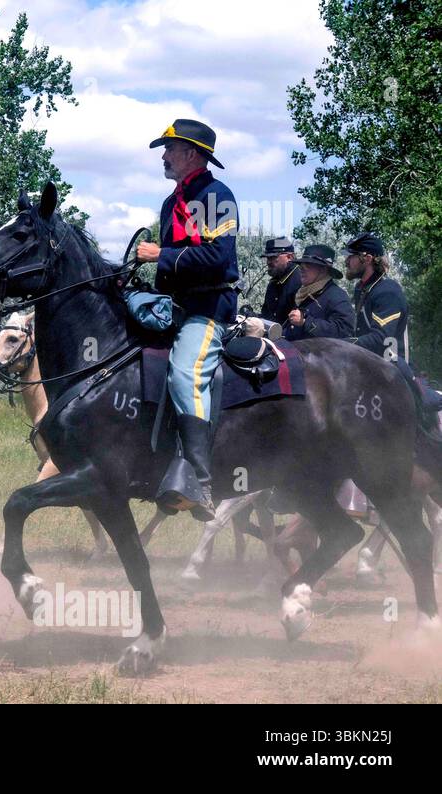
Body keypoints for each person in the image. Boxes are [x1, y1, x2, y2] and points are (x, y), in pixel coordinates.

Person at [136, 119, 239, 520]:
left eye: (170, 149)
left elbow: (218, 259)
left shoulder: (218, 196)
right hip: (175, 308)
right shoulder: (170, 202)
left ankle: (200, 480)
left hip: (208, 309)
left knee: (184, 374)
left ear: (192, 154)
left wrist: (159, 254)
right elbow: (172, 268)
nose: (163, 156)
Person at [342, 232, 408, 363]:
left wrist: (342, 344)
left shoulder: (388, 291)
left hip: (391, 367)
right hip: (369, 362)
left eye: (351, 256)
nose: (346, 261)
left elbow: (381, 339)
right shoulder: (361, 288)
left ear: (367, 259)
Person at [282, 244, 354, 341]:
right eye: (301, 265)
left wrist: (305, 322)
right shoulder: (304, 292)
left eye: (307, 265)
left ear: (323, 269)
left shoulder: (337, 295)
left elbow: (344, 331)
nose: (301, 268)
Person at [258, 236, 300, 324]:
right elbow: (267, 317)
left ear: (289, 257)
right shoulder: (274, 282)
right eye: (268, 258)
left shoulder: (300, 281)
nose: (268, 262)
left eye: (273, 257)